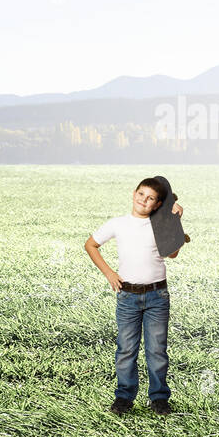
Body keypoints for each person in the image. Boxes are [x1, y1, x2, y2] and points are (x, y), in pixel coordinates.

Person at [84, 177, 184, 415]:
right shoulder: (118, 224)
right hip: (128, 296)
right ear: (134, 193)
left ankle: (159, 398)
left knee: (156, 350)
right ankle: (124, 398)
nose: (143, 201)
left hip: (157, 295)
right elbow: (90, 245)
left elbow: (173, 254)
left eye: (150, 199)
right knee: (126, 349)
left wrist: (175, 221)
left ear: (157, 204)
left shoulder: (160, 226)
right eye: (141, 195)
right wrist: (109, 273)